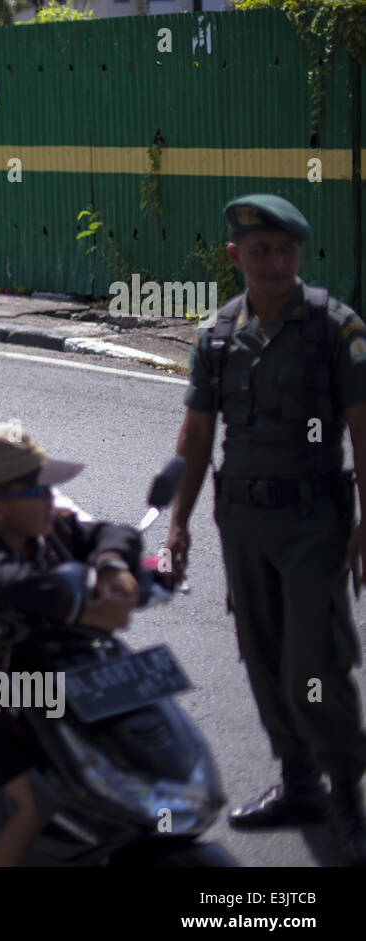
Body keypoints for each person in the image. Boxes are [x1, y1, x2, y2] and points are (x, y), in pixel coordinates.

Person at [166, 193, 366, 865]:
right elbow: (196, 434)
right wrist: (179, 524)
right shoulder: (216, 337)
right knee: (262, 653)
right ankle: (299, 781)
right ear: (235, 258)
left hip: (313, 520)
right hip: (242, 522)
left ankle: (344, 791)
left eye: (285, 251)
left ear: (299, 254)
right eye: (260, 252)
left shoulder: (334, 329)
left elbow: (364, 429)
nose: (275, 263)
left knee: (316, 658)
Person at [0, 421, 142, 865]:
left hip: (52, 682)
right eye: (39, 492)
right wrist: (85, 609)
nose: (53, 500)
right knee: (35, 805)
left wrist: (110, 563)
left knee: (130, 747)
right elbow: (17, 585)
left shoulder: (51, 530)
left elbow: (115, 533)